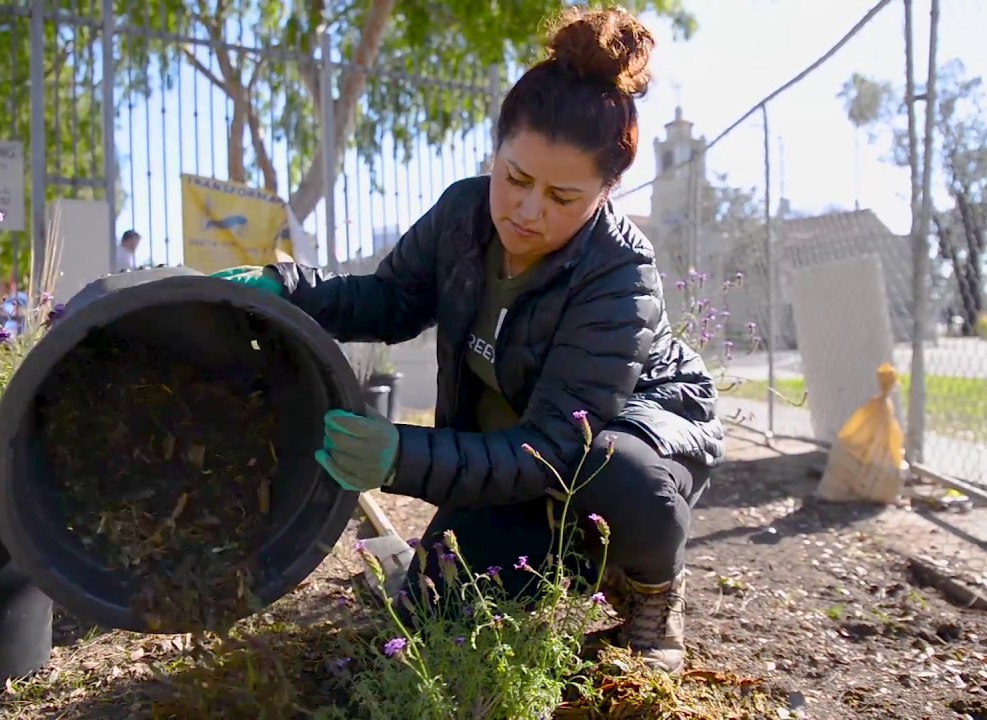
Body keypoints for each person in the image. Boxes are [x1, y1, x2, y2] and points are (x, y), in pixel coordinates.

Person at [213, 7, 723, 675]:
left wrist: (398, 456)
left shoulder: (619, 276)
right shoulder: (462, 213)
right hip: (507, 464)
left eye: (562, 196)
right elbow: (390, 299)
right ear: (496, 151)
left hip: (605, 446)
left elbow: (552, 450)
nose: (528, 211)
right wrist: (289, 288)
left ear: (607, 190)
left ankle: (653, 595)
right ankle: (574, 563)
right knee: (430, 618)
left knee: (621, 471)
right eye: (515, 178)